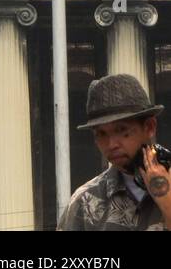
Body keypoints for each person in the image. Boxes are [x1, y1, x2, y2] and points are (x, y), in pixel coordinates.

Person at [58, 73, 171, 231]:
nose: (111, 144)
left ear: (149, 127)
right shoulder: (85, 201)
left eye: (122, 130)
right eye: (101, 134)